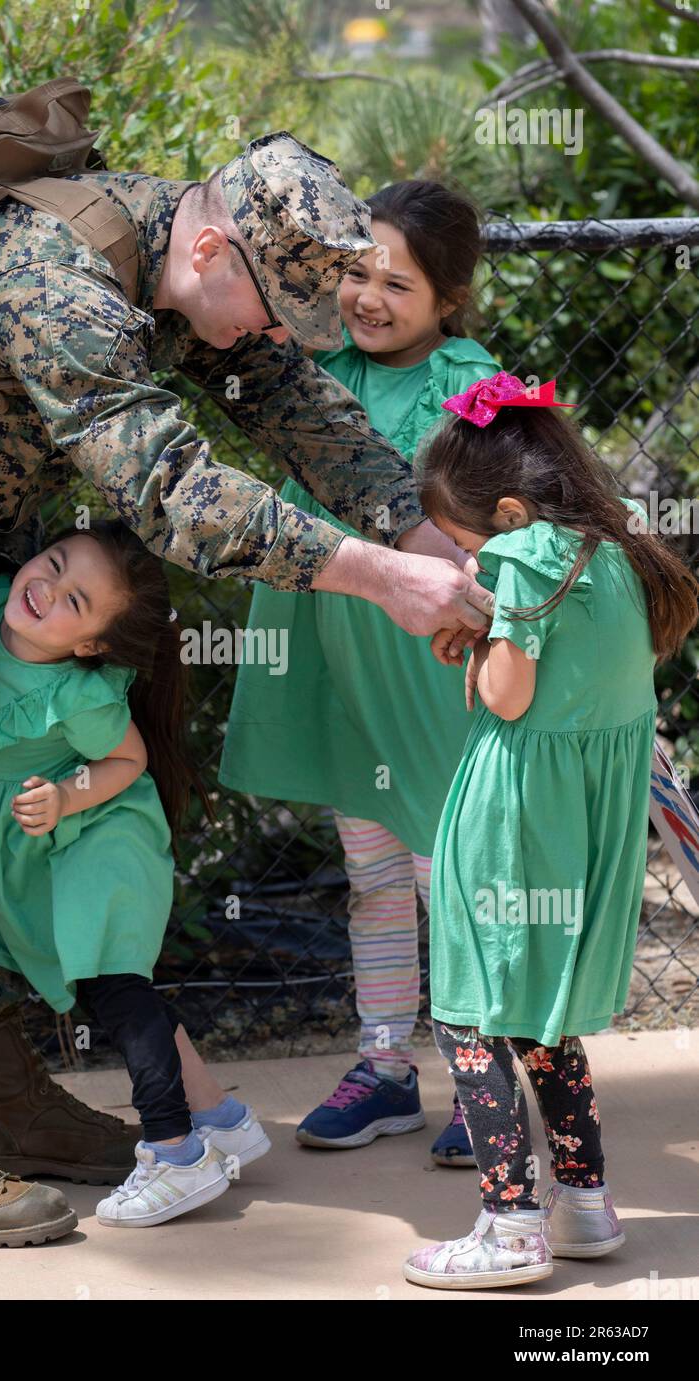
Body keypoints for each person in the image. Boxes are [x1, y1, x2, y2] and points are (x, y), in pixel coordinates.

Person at [0, 129, 494, 1247]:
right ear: (212, 247)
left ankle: (4, 1098)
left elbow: (295, 407)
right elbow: (174, 491)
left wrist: (420, 532)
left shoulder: (187, 266)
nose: (266, 340)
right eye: (263, 313)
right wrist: (379, 577)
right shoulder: (53, 280)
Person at [220, 180, 501, 1163]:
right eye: (354, 271)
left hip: (428, 671)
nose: (368, 297)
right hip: (335, 661)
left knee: (447, 875)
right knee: (374, 872)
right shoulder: (313, 365)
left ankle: (487, 1074)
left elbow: (524, 502)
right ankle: (384, 1066)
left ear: (448, 301)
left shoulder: (477, 383)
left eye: (399, 282)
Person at [401, 372, 699, 1289]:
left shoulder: (525, 556)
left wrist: (481, 651)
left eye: (462, 544)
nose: (464, 563)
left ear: (507, 510)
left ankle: (509, 1226)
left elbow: (509, 696)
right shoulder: (615, 552)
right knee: (544, 1018)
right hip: (584, 827)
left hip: (513, 819)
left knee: (471, 1014)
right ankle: (585, 1205)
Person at [0, 520, 270, 1228]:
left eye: (74, 600)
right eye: (54, 566)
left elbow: (129, 762)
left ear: (91, 644)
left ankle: (176, 1153)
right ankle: (223, 1118)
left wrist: (65, 798)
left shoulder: (80, 697)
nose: (47, 590)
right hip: (51, 836)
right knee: (123, 987)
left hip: (98, 835)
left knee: (117, 993)